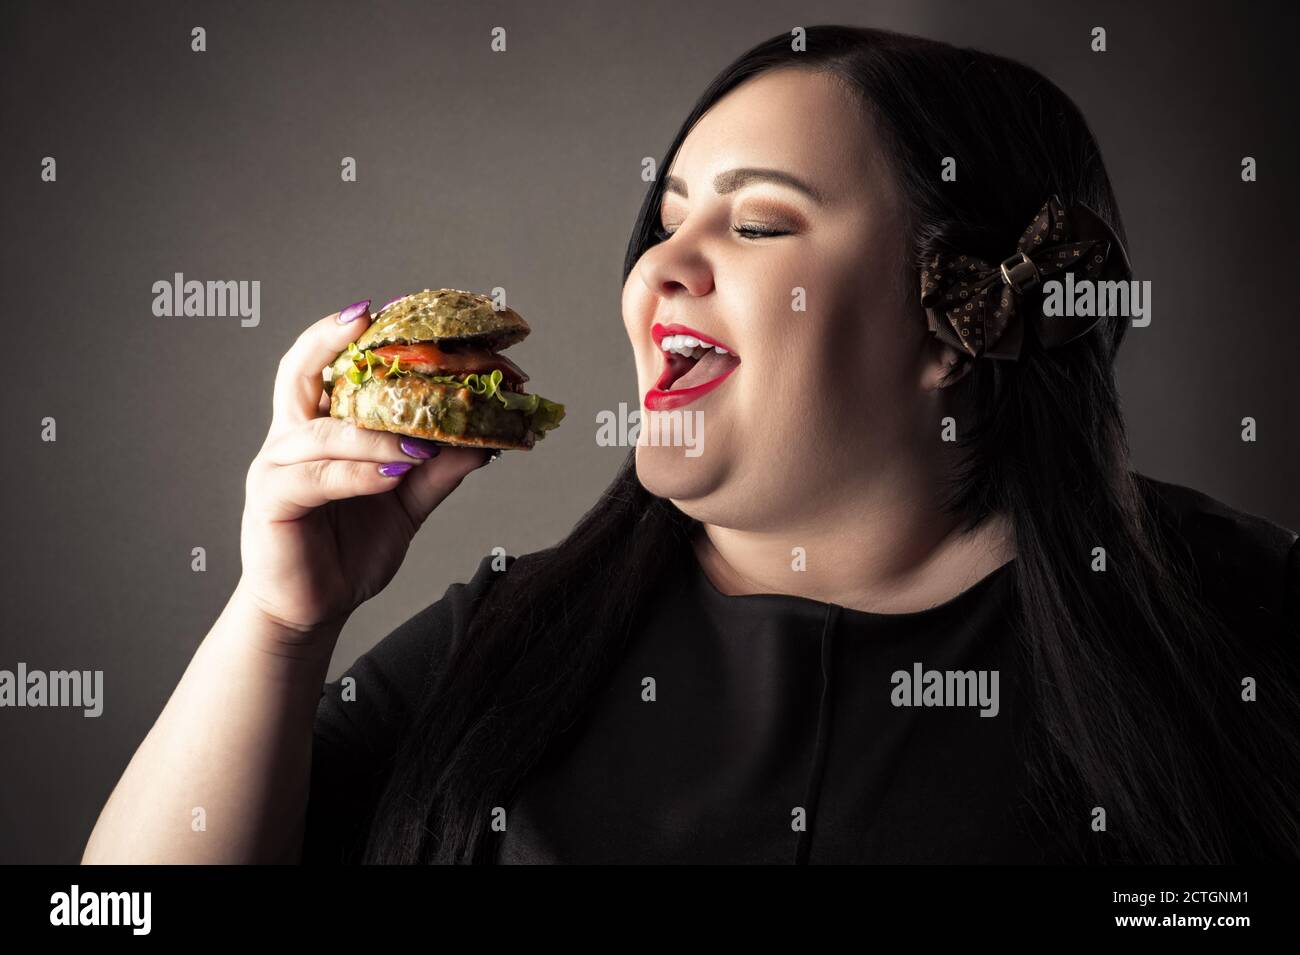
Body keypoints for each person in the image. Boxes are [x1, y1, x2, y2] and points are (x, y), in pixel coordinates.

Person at [82, 25, 1300, 865]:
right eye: (667, 222)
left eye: (759, 223)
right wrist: (278, 623)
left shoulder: (1234, 620)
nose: (660, 267)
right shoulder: (501, 647)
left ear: (956, 320)